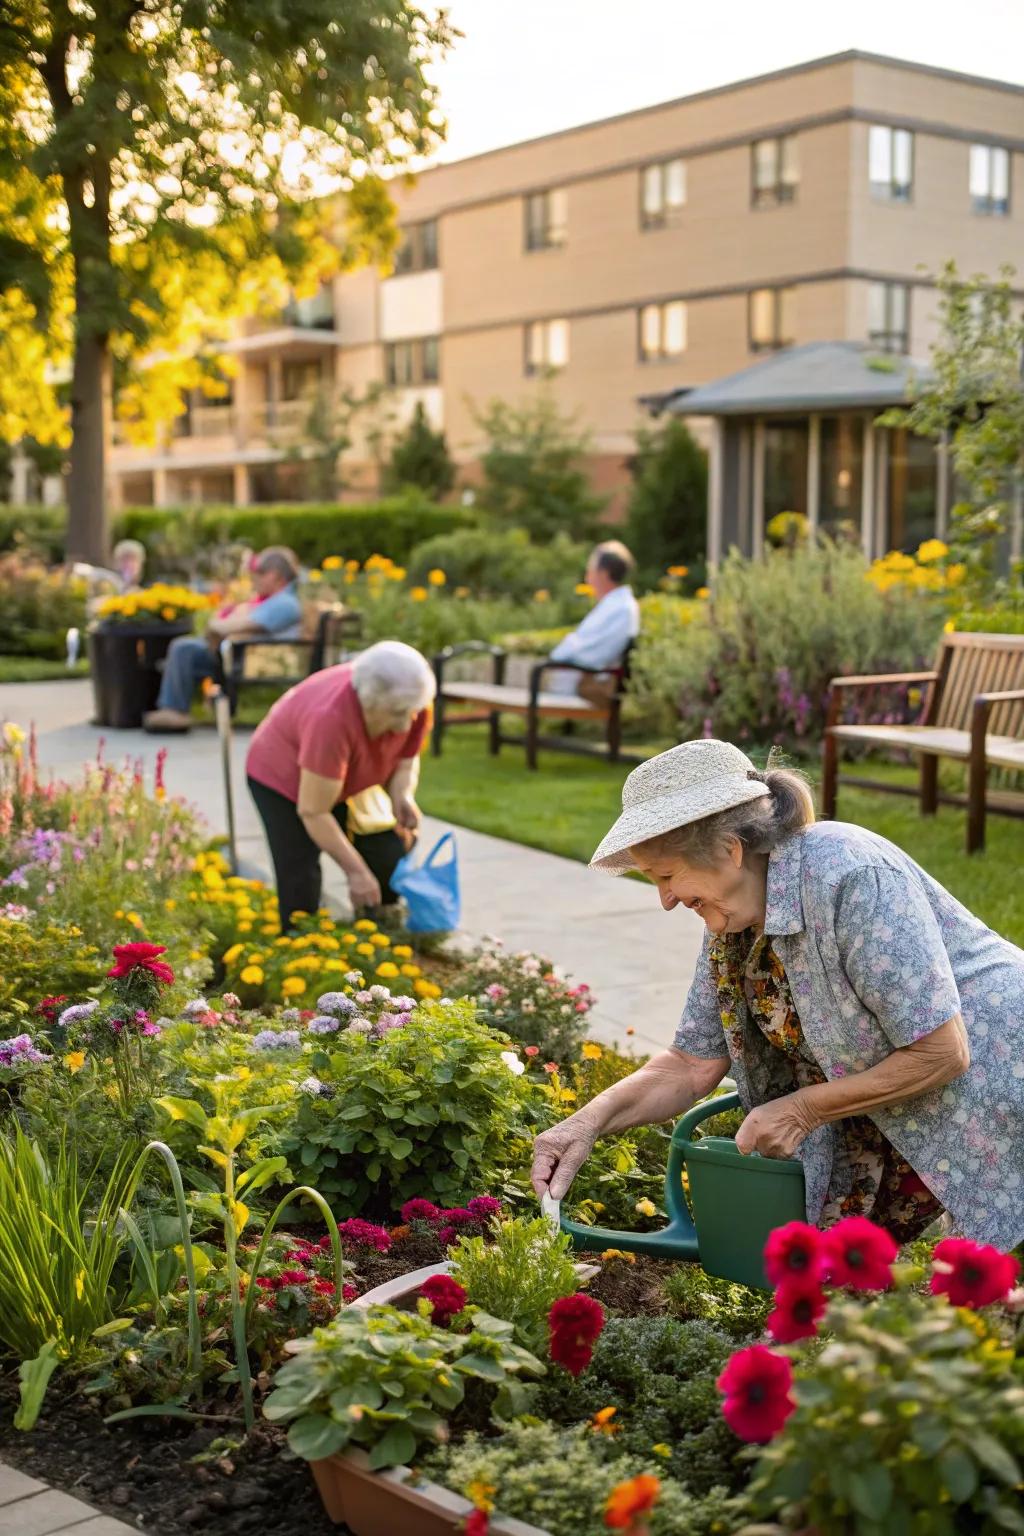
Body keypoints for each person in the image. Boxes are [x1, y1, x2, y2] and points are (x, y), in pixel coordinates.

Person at [532, 738, 1024, 1250]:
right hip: (915, 1116)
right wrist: (587, 1123)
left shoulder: (850, 876)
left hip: (1002, 1091)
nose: (666, 900)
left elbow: (943, 1051)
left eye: (666, 875)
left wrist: (802, 1109)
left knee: (979, 1309)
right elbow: (690, 1064)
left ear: (730, 849)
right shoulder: (732, 920)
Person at [245, 640, 435, 929]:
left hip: (348, 775)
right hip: (283, 777)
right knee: (301, 874)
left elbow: (406, 761)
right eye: (396, 714)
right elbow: (314, 811)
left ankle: (378, 937)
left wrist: (402, 795)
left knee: (387, 852)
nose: (406, 726)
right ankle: (300, 950)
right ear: (367, 702)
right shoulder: (330, 720)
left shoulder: (412, 701)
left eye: (410, 713)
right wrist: (355, 873)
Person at [143, 546, 303, 733]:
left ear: (274, 576)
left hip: (250, 660)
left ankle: (175, 710)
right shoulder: (276, 600)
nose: (254, 579)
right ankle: (173, 707)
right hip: (246, 656)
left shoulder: (284, 603)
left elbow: (236, 626)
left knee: (184, 648)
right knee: (187, 648)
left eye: (258, 573)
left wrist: (216, 625)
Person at [547, 541, 640, 702]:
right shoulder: (614, 605)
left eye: (590, 571)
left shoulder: (621, 609)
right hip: (576, 678)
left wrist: (562, 653)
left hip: (586, 684)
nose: (587, 578)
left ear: (604, 573)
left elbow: (593, 655)